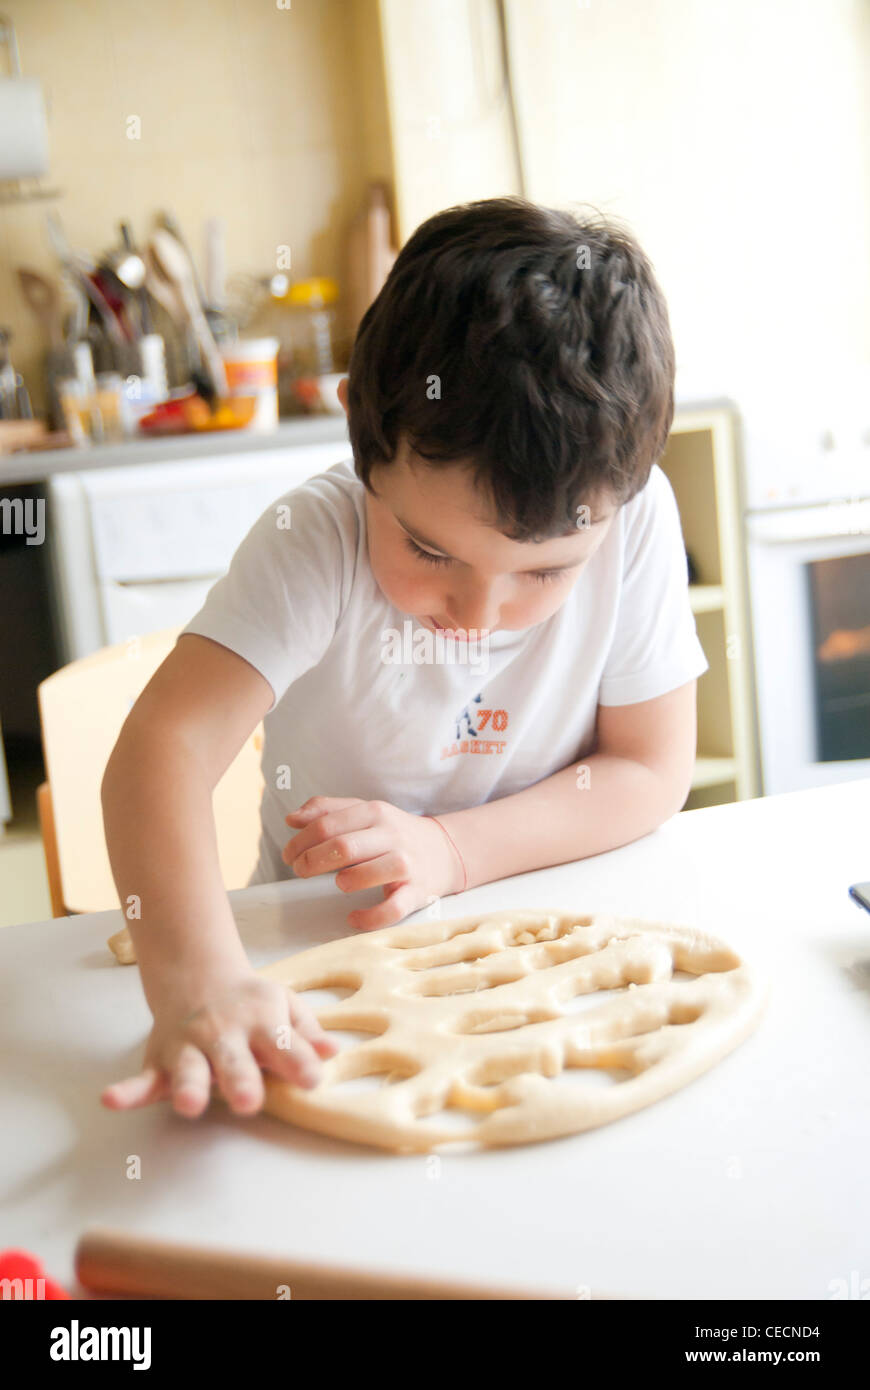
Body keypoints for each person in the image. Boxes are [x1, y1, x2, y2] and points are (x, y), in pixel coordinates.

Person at [100, 196, 708, 1121]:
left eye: (545, 574)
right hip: (329, 969)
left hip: (559, 949)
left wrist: (449, 850)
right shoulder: (317, 538)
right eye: (431, 553)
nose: (482, 611)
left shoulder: (638, 517)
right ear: (360, 427)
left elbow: (651, 768)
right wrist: (199, 983)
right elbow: (163, 753)